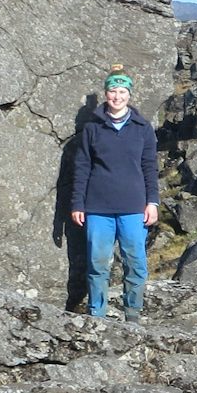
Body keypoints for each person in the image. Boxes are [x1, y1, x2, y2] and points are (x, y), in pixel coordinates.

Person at [68, 67, 159, 321]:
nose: (117, 97)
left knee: (136, 263)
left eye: (122, 91)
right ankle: (97, 315)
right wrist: (78, 204)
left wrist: (152, 202)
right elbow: (82, 167)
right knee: (97, 265)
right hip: (97, 208)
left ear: (129, 95)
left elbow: (150, 167)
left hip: (133, 207)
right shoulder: (91, 128)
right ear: (106, 94)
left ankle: (133, 314)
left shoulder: (143, 128)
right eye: (112, 91)